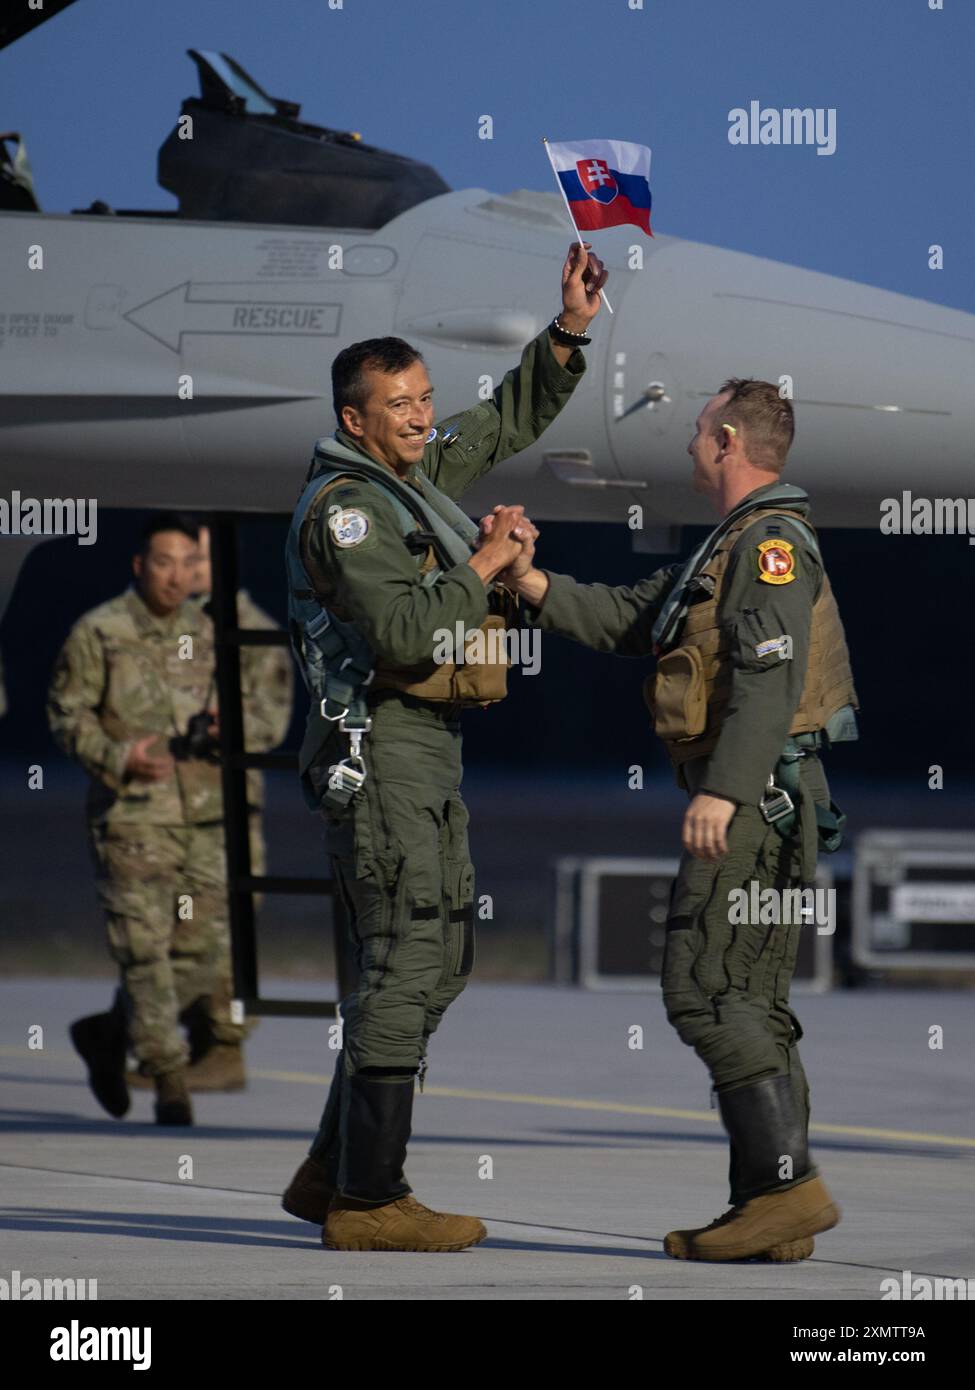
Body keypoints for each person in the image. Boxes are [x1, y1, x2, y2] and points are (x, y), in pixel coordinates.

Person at [280, 242, 606, 1252]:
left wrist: (570, 332)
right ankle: (371, 1200)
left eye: (426, 398)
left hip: (425, 750)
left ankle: (333, 1172)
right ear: (355, 419)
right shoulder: (347, 511)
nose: (424, 417)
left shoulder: (409, 480)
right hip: (380, 749)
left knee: (438, 955)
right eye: (403, 404)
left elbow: (499, 422)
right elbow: (405, 635)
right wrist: (492, 560)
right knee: (405, 960)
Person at [496, 379, 858, 1262]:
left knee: (701, 990)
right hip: (770, 801)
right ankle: (766, 1209)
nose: (689, 441)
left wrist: (722, 791)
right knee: (750, 1001)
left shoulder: (768, 543)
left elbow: (770, 680)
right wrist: (528, 580)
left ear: (729, 439)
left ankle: (782, 1191)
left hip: (755, 802)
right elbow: (634, 618)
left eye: (699, 429)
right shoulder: (729, 546)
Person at [48, 514, 289, 1124]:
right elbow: (67, 713)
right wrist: (115, 756)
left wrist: (221, 727)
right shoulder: (98, 631)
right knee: (143, 950)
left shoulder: (213, 634)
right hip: (134, 819)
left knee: (201, 949)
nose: (177, 576)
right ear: (139, 566)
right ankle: (168, 1076)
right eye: (164, 562)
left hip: (206, 818)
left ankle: (110, 1035)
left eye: (188, 564)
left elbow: (255, 713)